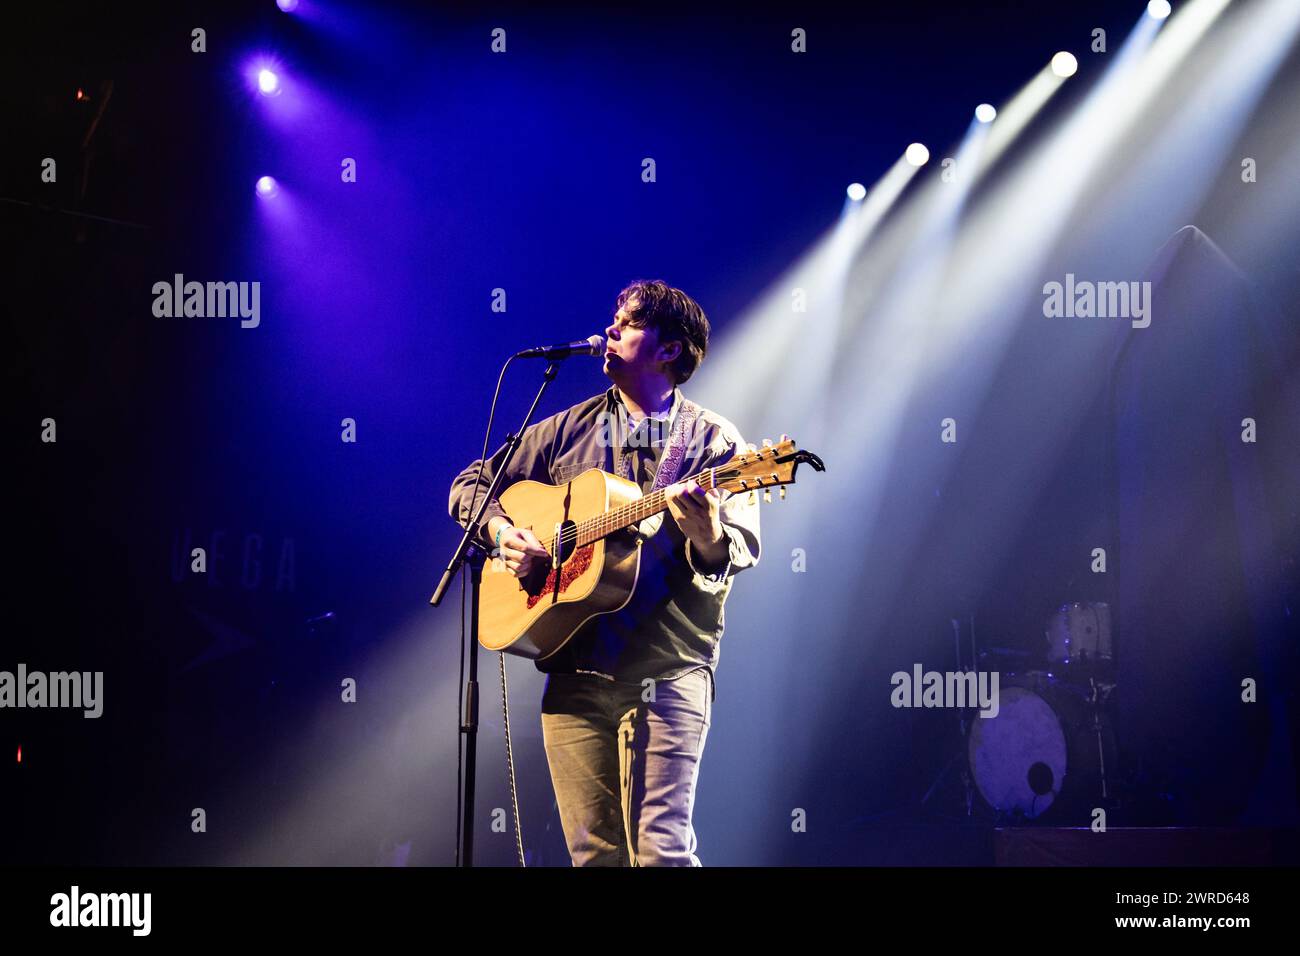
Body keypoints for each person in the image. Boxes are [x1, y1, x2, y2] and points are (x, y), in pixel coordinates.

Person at [448, 279, 762, 865]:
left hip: (667, 668)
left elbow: (733, 553)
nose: (611, 329)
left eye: (631, 321)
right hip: (573, 669)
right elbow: (469, 484)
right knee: (594, 857)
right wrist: (503, 533)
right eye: (614, 318)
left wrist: (708, 535)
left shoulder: (714, 442)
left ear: (670, 349)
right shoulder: (567, 429)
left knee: (661, 853)